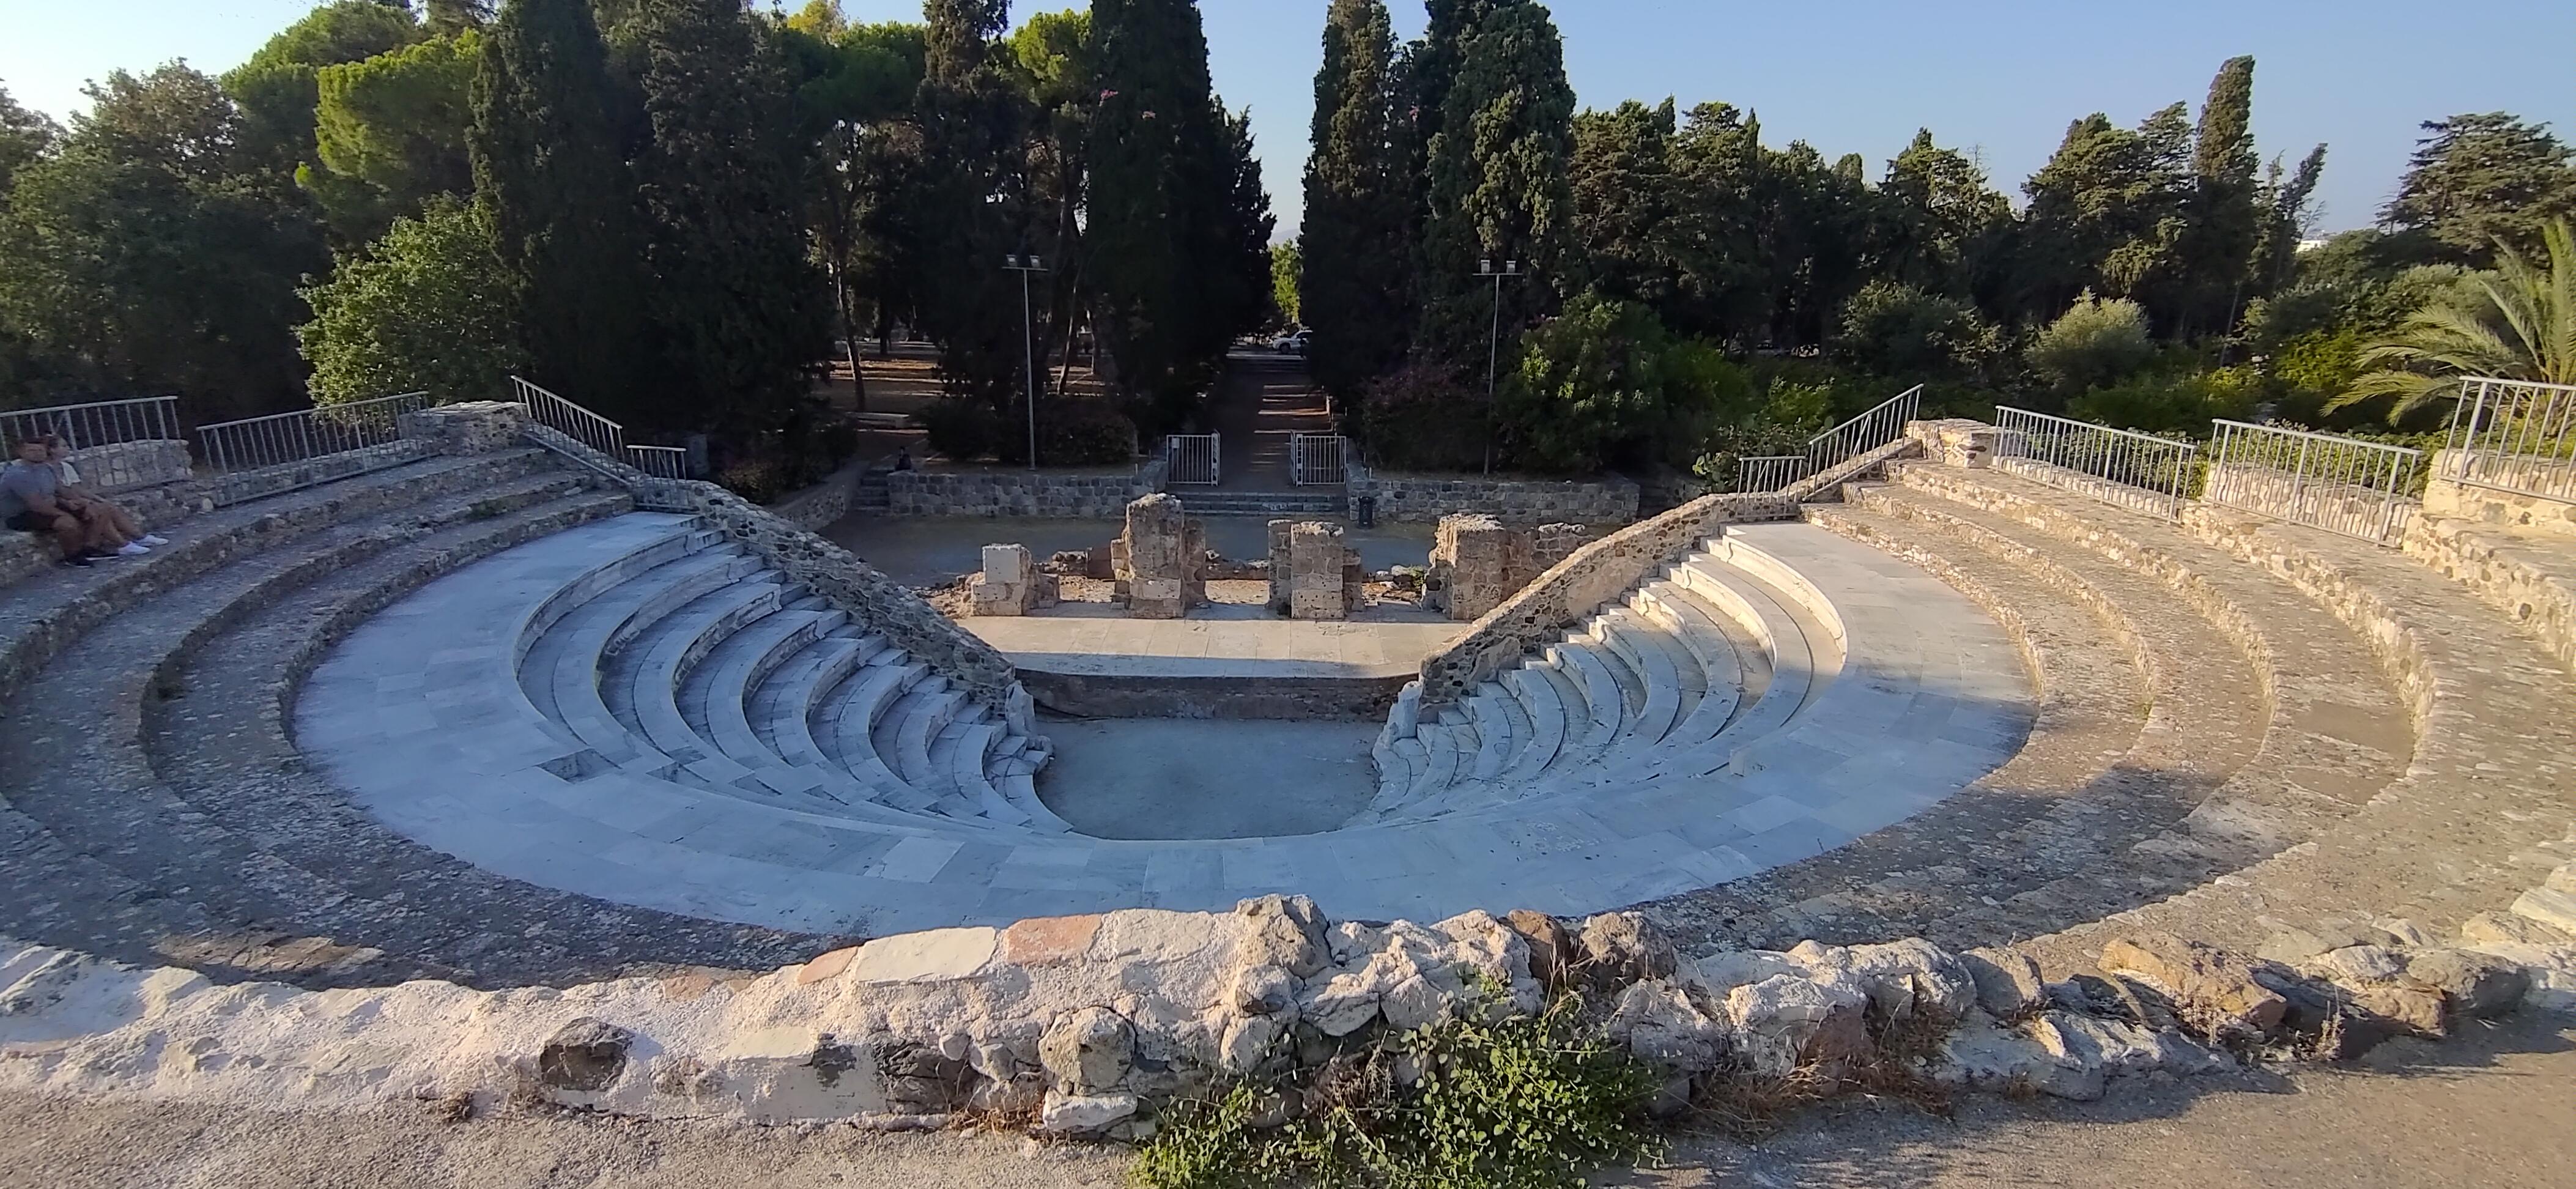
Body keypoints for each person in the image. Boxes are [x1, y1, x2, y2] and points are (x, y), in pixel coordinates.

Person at [1, 437, 113, 567]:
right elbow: (36, 505)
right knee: (67, 523)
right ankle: (72, 556)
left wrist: (82, 502)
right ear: (21, 452)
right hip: (22, 514)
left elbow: (61, 489)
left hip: (48, 506)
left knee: (101, 509)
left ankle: (90, 548)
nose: (37, 453)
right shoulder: (18, 474)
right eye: (32, 450)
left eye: (40, 450)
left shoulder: (46, 468)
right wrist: (63, 513)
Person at [42, 435, 163, 552]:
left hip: (75, 500)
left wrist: (97, 498)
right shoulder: (45, 469)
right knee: (100, 510)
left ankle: (139, 536)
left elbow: (77, 488)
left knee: (107, 506)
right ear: (52, 450)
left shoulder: (66, 467)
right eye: (63, 446)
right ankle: (121, 544)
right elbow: (59, 492)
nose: (67, 448)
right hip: (62, 504)